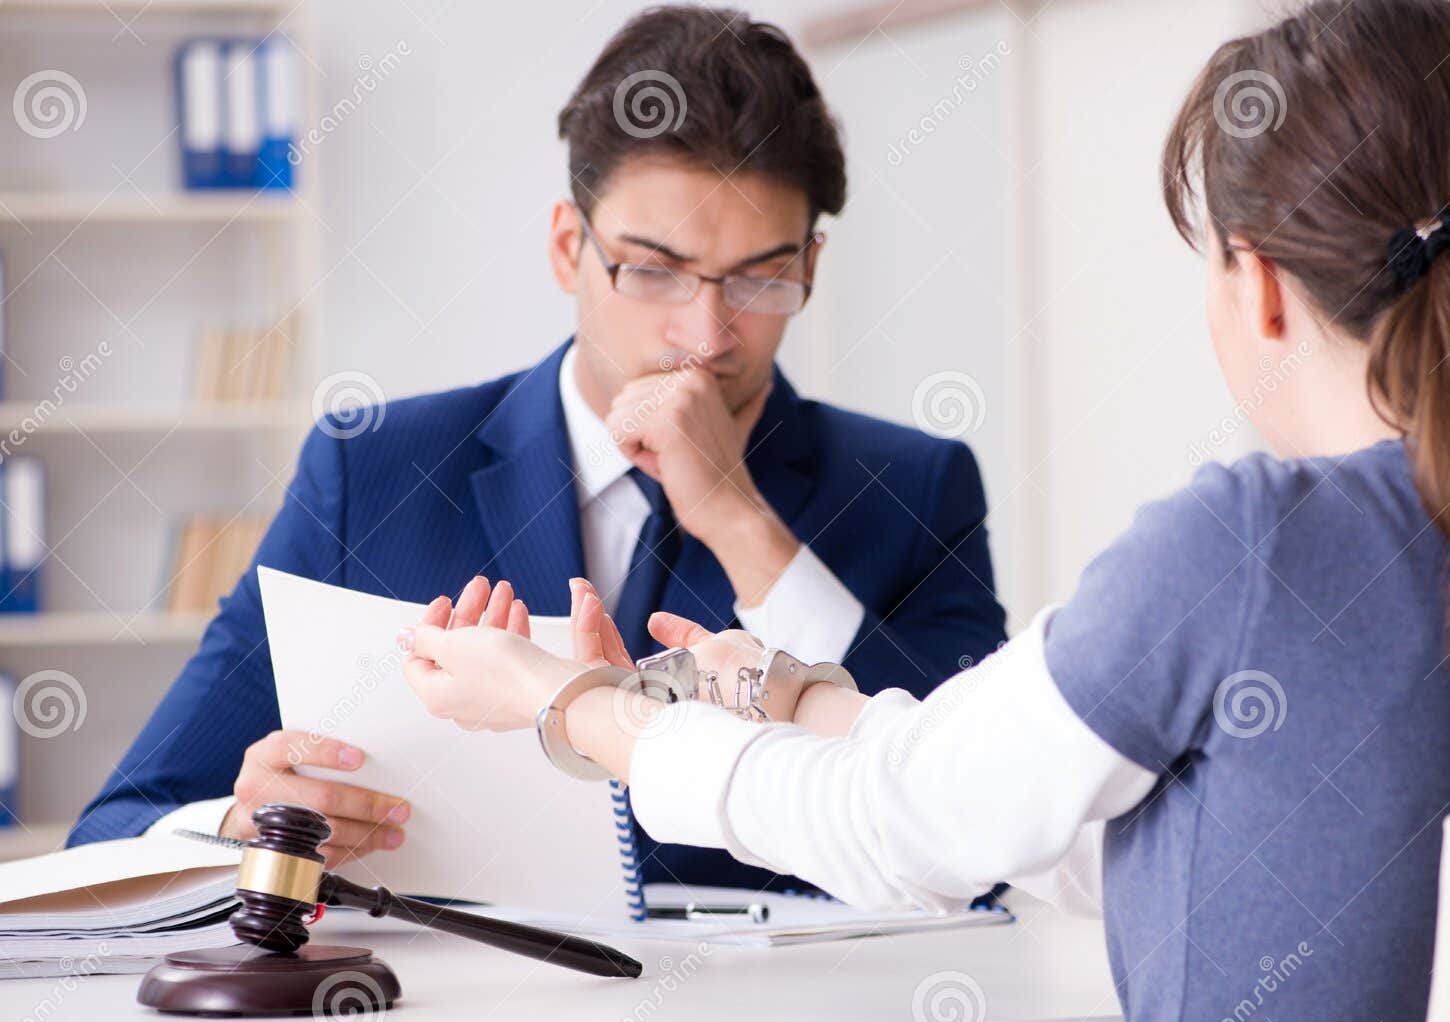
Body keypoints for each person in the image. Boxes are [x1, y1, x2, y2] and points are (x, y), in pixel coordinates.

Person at [396, 0, 1450, 1022]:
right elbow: (1088, 816)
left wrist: (573, 705)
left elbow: (897, 826)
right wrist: (799, 700)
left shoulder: (1245, 546)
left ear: (1259, 283)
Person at [64, 6, 1007, 892]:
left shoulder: (916, 489)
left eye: (761, 279)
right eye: (653, 271)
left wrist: (737, 518)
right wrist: (243, 825)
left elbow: (986, 832)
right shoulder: (374, 469)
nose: (706, 333)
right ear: (569, 249)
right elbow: (118, 828)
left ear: (810, 265)